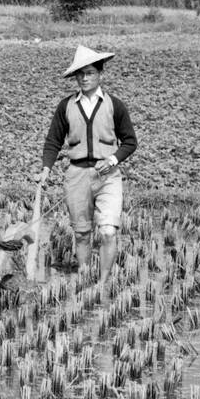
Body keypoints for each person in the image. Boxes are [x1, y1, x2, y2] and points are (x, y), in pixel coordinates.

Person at [37, 45, 138, 286]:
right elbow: (53, 141)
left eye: (90, 72)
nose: (85, 78)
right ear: (75, 77)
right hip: (77, 175)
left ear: (100, 73)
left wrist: (113, 159)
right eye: (80, 74)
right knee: (82, 233)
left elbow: (130, 142)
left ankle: (102, 283)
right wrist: (46, 168)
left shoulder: (115, 105)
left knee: (108, 231)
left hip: (108, 176)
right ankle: (84, 276)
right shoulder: (66, 106)